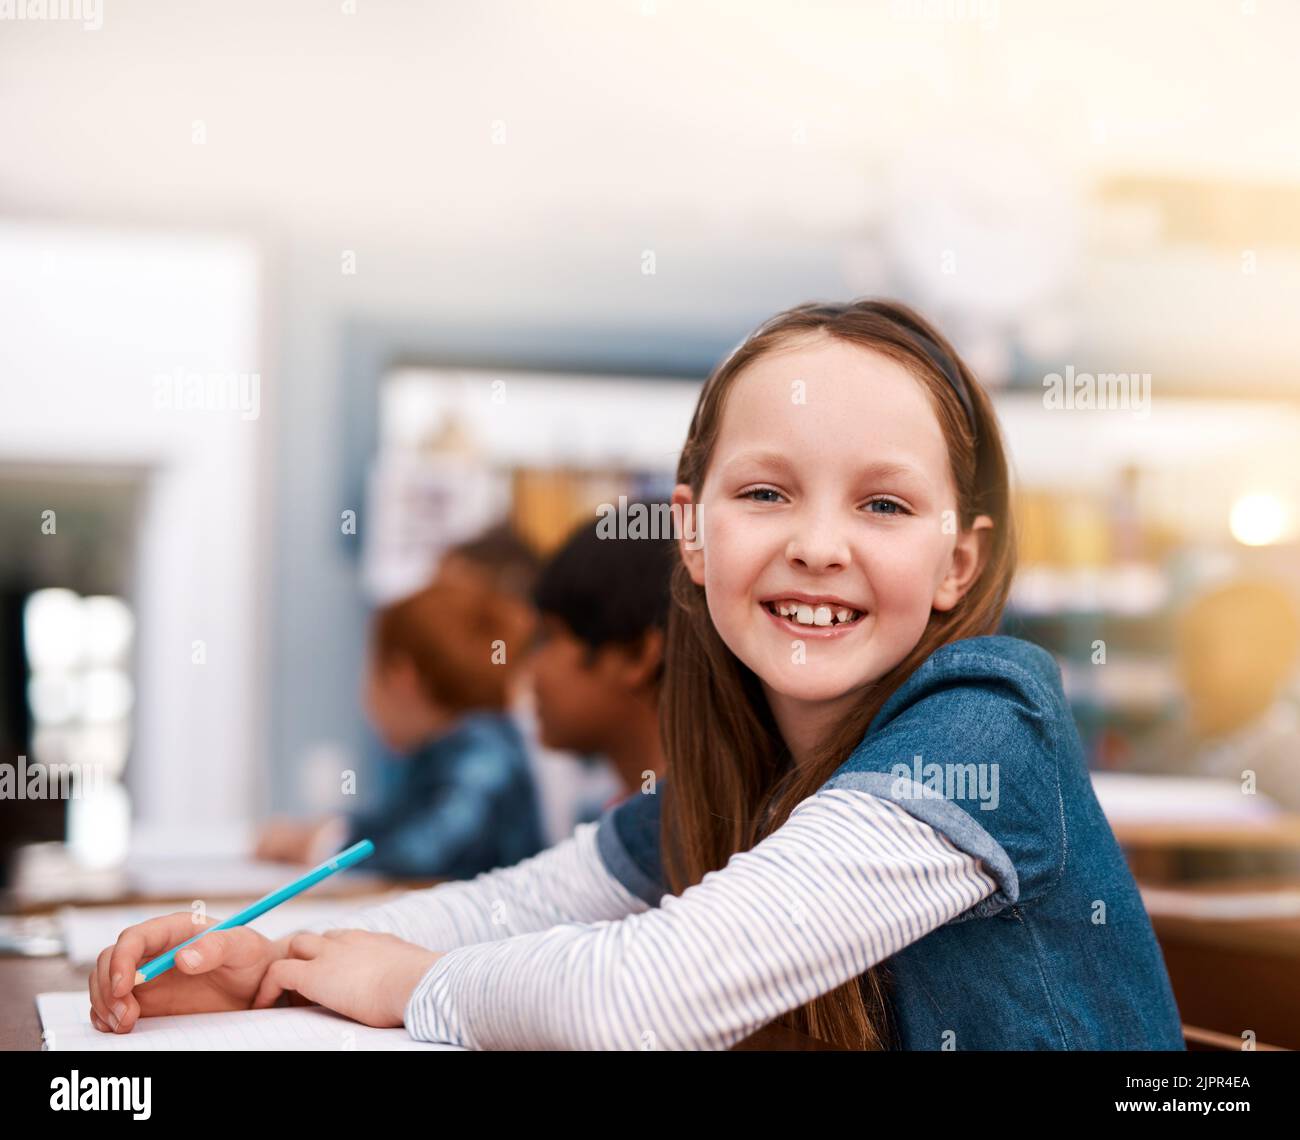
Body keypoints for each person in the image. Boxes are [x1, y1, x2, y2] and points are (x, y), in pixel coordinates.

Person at [89, 299, 1185, 1050]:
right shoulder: (744, 767)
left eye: (882, 504)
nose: (816, 543)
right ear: (692, 536)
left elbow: (644, 996)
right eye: (765, 493)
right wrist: (270, 957)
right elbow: (514, 909)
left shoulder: (984, 730)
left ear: (959, 563)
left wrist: (409, 989)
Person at [255, 576, 544, 880]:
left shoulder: (483, 757)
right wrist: (334, 829)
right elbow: (397, 820)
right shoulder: (453, 749)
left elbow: (422, 853)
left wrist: (324, 847)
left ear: (401, 677)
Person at [527, 512, 674, 811]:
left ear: (636, 656)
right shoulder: (630, 821)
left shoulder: (688, 845)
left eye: (551, 638)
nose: (534, 667)